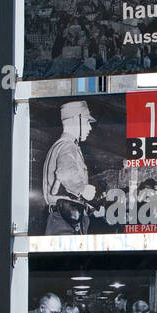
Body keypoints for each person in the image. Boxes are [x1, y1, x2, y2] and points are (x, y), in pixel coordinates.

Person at [42, 100, 97, 235]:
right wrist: (83, 189)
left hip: (62, 217)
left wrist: (89, 208)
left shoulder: (60, 145)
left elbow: (64, 190)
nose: (89, 127)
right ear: (74, 120)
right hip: (65, 221)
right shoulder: (68, 146)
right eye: (86, 122)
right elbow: (66, 173)